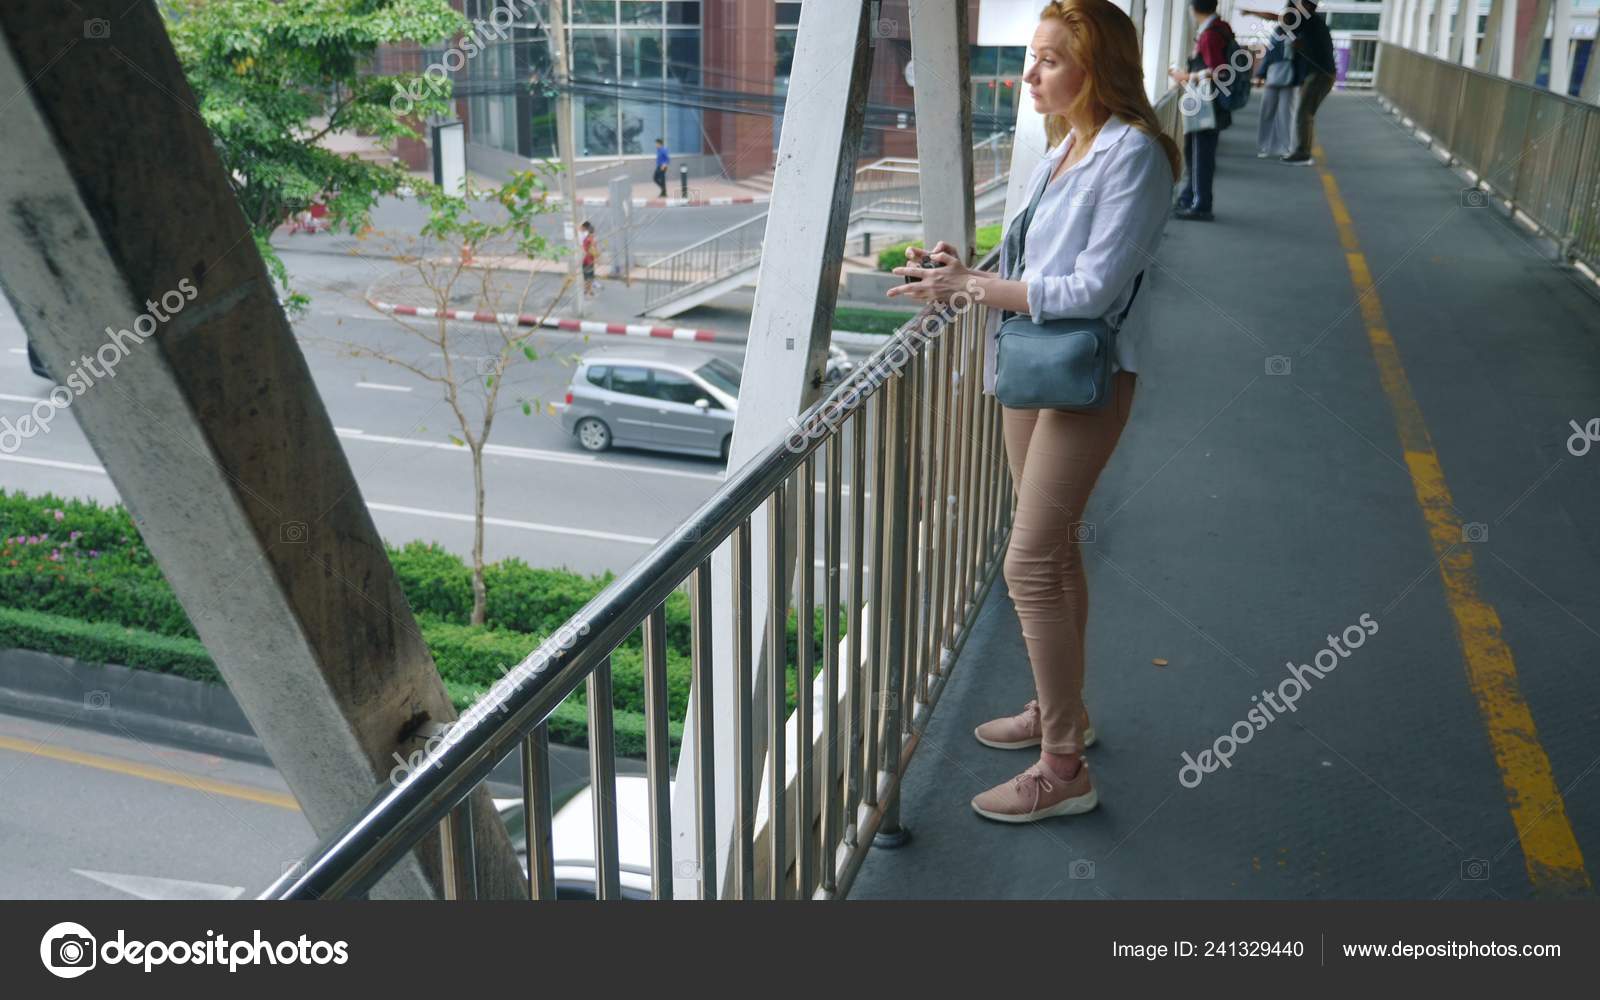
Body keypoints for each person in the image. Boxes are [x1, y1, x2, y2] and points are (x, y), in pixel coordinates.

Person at [883, 0, 1179, 824]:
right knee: (1053, 555)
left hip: (1089, 373)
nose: (1030, 73)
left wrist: (968, 289)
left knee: (1027, 563)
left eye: (1051, 59)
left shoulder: (1134, 156)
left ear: (1100, 66)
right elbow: (1039, 264)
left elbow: (1092, 289)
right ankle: (1066, 715)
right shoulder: (1065, 147)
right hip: (1031, 364)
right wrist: (961, 266)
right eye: (1033, 56)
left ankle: (1063, 769)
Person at [1167, 0, 1235, 220]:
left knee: (1198, 154)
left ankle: (1200, 205)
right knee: (1199, 153)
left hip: (1206, 105)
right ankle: (1189, 198)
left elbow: (1218, 72)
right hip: (1213, 103)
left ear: (1192, 8)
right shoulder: (1222, 27)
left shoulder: (1209, 35)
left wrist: (1184, 77)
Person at [1282, 0, 1335, 164]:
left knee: (1304, 112)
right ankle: (1303, 149)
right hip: (1319, 73)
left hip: (1320, 74)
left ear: (1308, 7)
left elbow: (1282, 20)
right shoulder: (1312, 22)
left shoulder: (1309, 21)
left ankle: (1303, 151)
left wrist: (1251, 12)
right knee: (1306, 112)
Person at [1252, 23, 1299, 158]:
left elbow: (1269, 56)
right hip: (1284, 76)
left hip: (1281, 76)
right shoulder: (1280, 32)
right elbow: (1269, 55)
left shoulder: (1296, 32)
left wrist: (1261, 74)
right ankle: (1269, 147)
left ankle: (1281, 147)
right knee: (1275, 112)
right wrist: (1261, 74)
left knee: (1283, 113)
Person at [580, 221, 598, 296]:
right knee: (589, 276)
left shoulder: (586, 239)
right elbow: (593, 251)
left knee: (587, 276)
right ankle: (588, 290)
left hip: (587, 260)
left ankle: (587, 290)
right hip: (588, 261)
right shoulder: (590, 240)